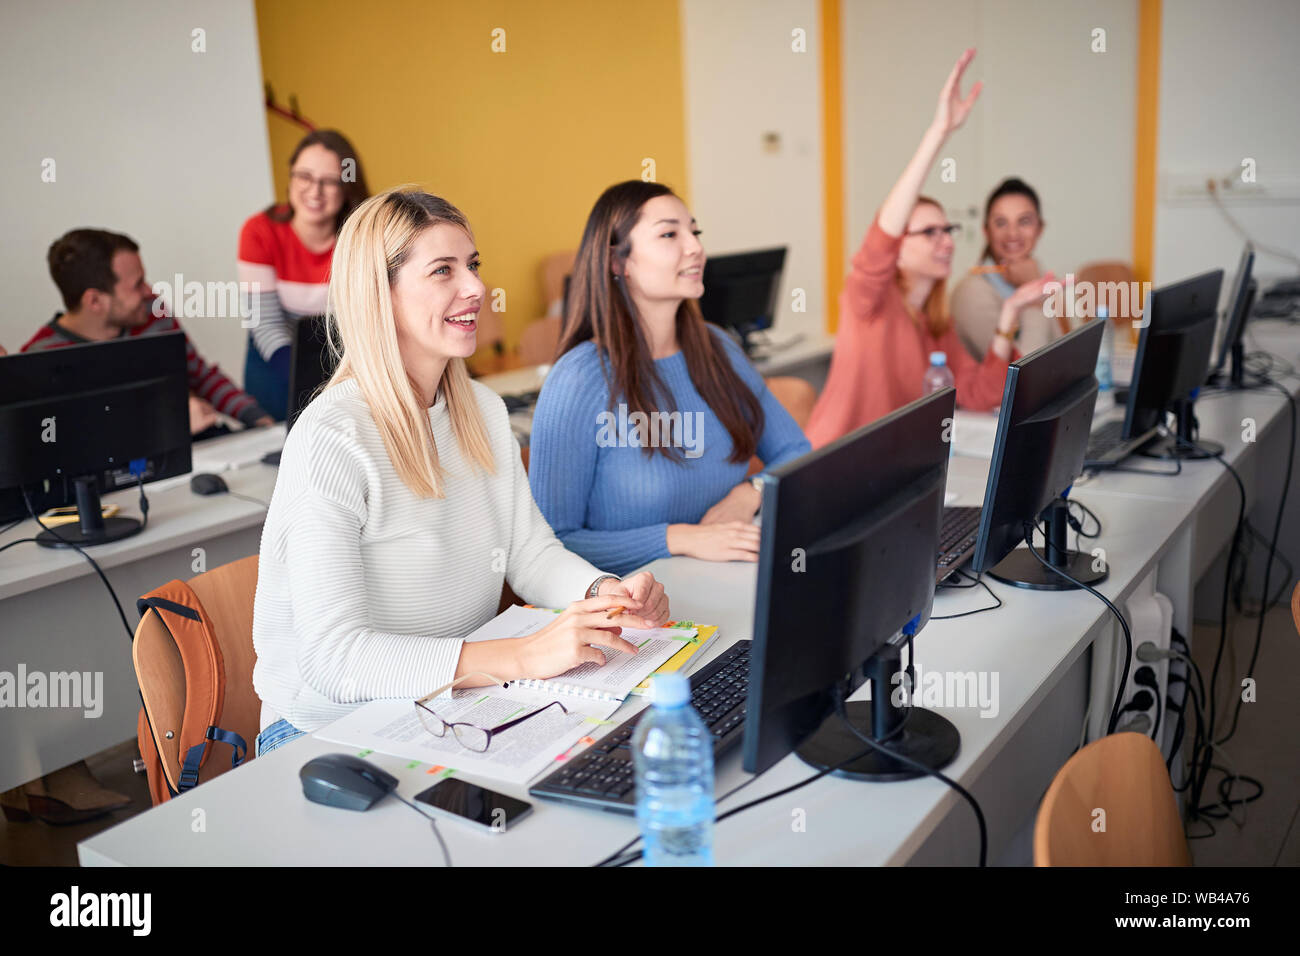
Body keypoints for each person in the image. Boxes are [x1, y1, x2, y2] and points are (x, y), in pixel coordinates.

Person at [251, 188, 670, 757]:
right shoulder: (333, 438)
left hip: (449, 704)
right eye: (442, 270)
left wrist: (604, 594)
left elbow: (530, 555)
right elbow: (335, 660)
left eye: (472, 266)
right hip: (325, 732)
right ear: (381, 293)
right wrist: (520, 658)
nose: (475, 288)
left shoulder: (483, 411)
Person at [527, 181, 811, 577]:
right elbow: (551, 544)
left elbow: (796, 451)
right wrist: (681, 538)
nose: (694, 247)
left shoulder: (718, 348)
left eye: (694, 232)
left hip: (726, 577)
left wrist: (752, 492)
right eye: (669, 234)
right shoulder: (579, 379)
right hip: (635, 608)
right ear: (617, 262)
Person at [805, 48, 1056, 448]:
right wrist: (939, 133)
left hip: (893, 474)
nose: (946, 240)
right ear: (897, 250)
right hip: (832, 471)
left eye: (948, 229)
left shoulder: (935, 323)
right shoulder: (868, 301)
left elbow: (978, 393)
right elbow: (880, 238)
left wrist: (1010, 314)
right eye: (928, 232)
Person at [21, 228, 272, 436]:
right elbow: (72, 441)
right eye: (137, 284)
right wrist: (170, 423)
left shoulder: (154, 313)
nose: (149, 290)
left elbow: (200, 375)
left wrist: (259, 419)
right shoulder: (40, 360)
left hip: (204, 449)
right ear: (94, 301)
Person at [238, 130, 370, 421]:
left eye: (329, 181)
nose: (314, 190)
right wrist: (310, 386)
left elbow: (368, 319)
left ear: (347, 185)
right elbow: (265, 322)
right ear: (291, 177)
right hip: (277, 363)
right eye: (304, 176)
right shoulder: (259, 232)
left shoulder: (364, 237)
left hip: (346, 362)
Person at [951, 177, 1061, 359]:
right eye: (1001, 223)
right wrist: (1033, 295)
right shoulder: (971, 293)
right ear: (986, 231)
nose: (1013, 233)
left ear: (1040, 229)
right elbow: (1024, 374)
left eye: (1024, 221)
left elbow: (1058, 345)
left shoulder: (1031, 269)